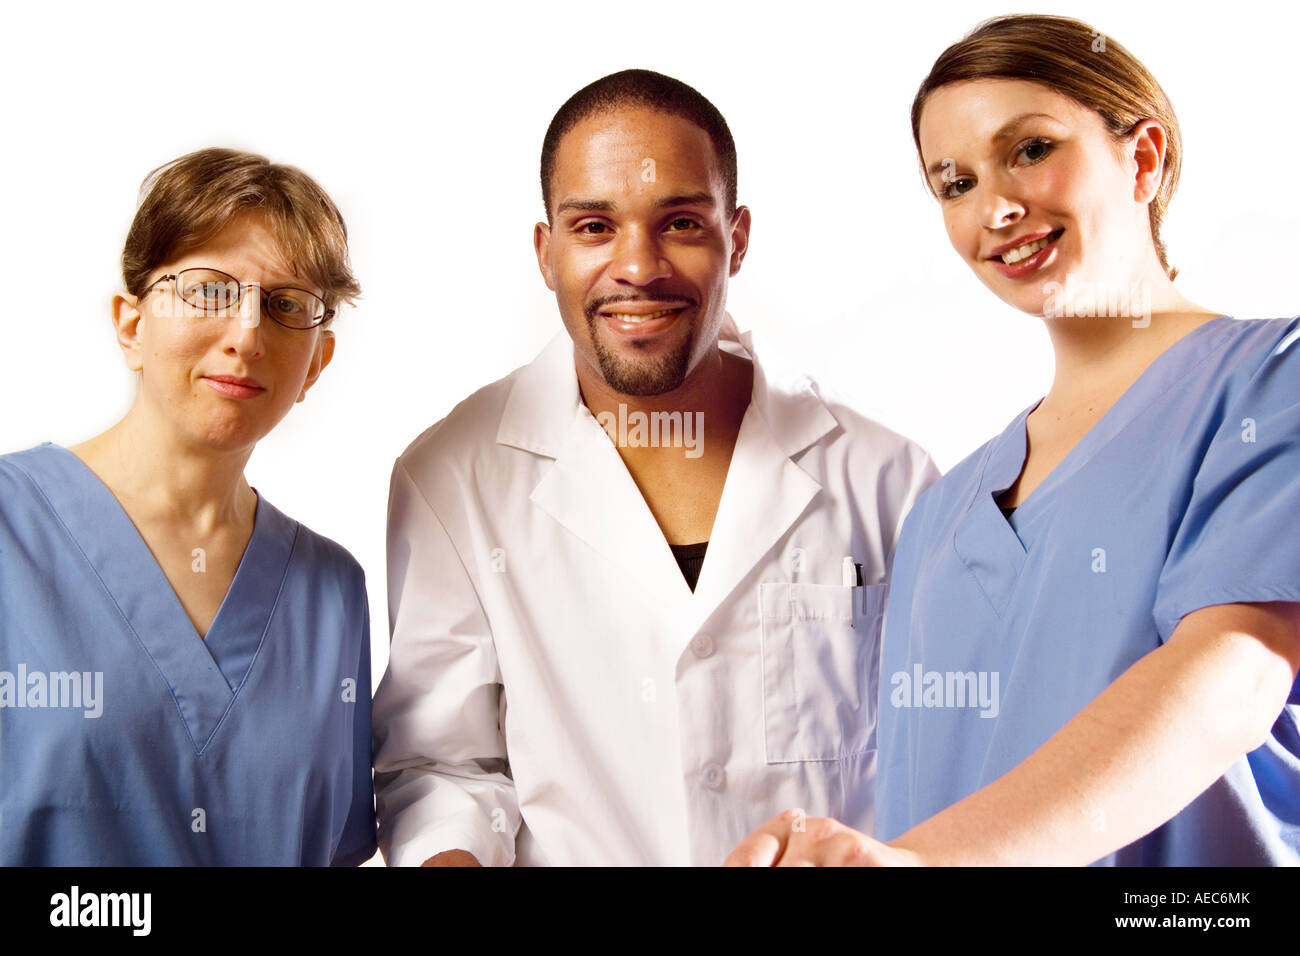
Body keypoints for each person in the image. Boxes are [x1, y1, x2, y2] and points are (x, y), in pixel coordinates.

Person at [727, 14, 1300, 866]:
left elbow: (1232, 680)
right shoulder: (939, 514)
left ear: (1143, 159)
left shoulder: (1271, 382)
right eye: (953, 184)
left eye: (1030, 150)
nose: (993, 208)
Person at [372, 69, 938, 866]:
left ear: (736, 238)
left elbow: (947, 754)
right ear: (547, 251)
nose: (637, 267)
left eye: (679, 223)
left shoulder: (885, 476)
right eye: (595, 227)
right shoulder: (452, 477)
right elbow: (441, 766)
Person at [0, 148, 377, 865]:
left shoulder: (331, 593)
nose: (246, 335)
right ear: (130, 324)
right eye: (208, 290)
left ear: (316, 364)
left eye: (285, 304)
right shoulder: (11, 531)